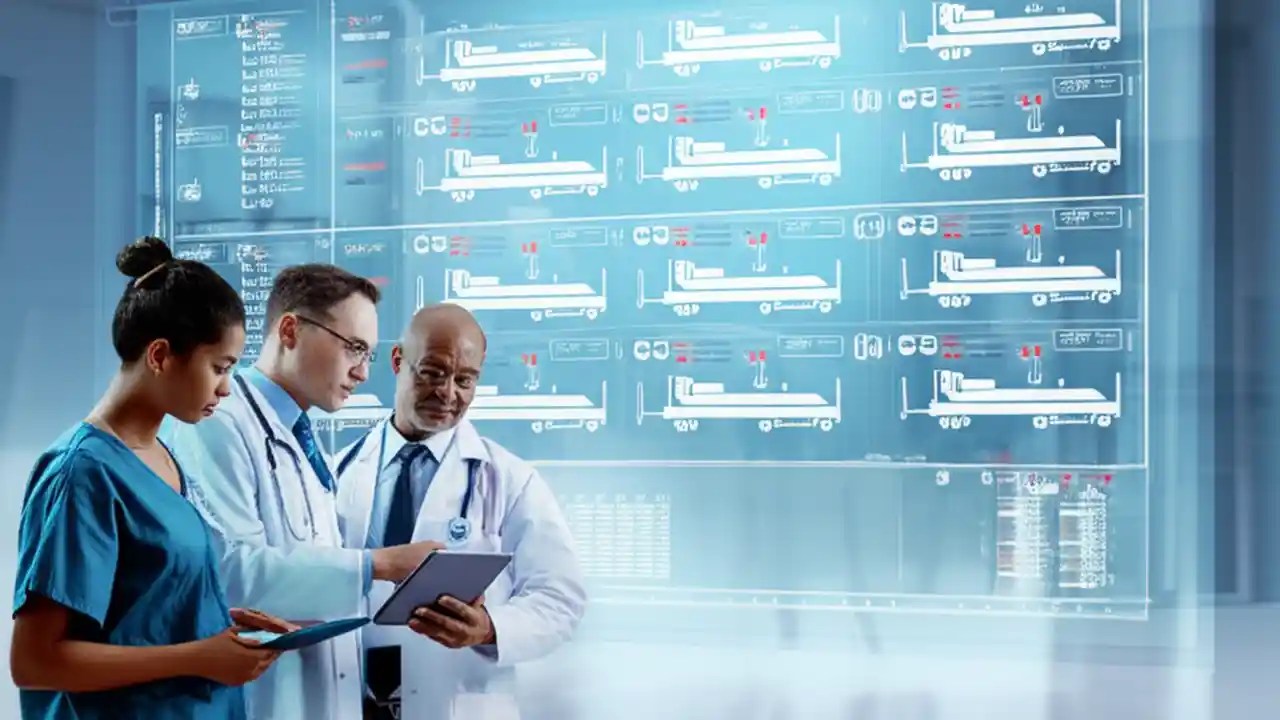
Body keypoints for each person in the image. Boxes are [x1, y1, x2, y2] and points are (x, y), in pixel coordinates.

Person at [9, 236, 294, 719]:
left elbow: (137, 610)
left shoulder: (160, 455)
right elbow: (36, 660)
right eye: (218, 368)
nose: (227, 389)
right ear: (160, 356)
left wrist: (216, 626)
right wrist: (200, 656)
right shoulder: (81, 473)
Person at [167, 264, 442, 720]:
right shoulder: (218, 422)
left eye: (370, 355)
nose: (362, 372)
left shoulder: (299, 437)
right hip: (262, 701)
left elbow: (311, 574)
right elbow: (230, 574)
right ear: (290, 330)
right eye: (354, 348)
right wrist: (380, 565)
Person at [334, 303, 586, 720]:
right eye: (432, 372)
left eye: (465, 380)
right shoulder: (337, 470)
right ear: (398, 360)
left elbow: (561, 599)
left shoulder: (510, 480)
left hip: (454, 698)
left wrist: (489, 627)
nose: (448, 393)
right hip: (351, 694)